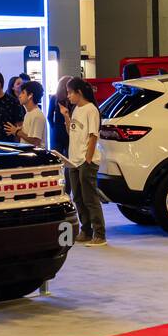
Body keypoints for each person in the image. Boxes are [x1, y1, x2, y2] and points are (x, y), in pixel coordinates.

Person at [65, 78, 105, 246]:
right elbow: (72, 132)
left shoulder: (91, 110)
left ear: (79, 92)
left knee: (90, 197)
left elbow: (93, 135)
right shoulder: (75, 109)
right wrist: (66, 116)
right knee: (78, 197)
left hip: (86, 161)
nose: (68, 96)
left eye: (70, 93)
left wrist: (88, 159)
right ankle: (86, 230)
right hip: (73, 160)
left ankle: (100, 234)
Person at [6, 80, 47, 147]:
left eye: (23, 93)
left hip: (35, 156)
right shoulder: (29, 113)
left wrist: (17, 132)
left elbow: (35, 141)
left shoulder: (37, 115)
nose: (19, 96)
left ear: (30, 95)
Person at [48, 74, 73, 153]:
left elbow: (49, 117)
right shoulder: (71, 98)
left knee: (58, 156)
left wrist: (53, 127)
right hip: (70, 130)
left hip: (57, 131)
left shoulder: (54, 98)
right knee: (69, 155)